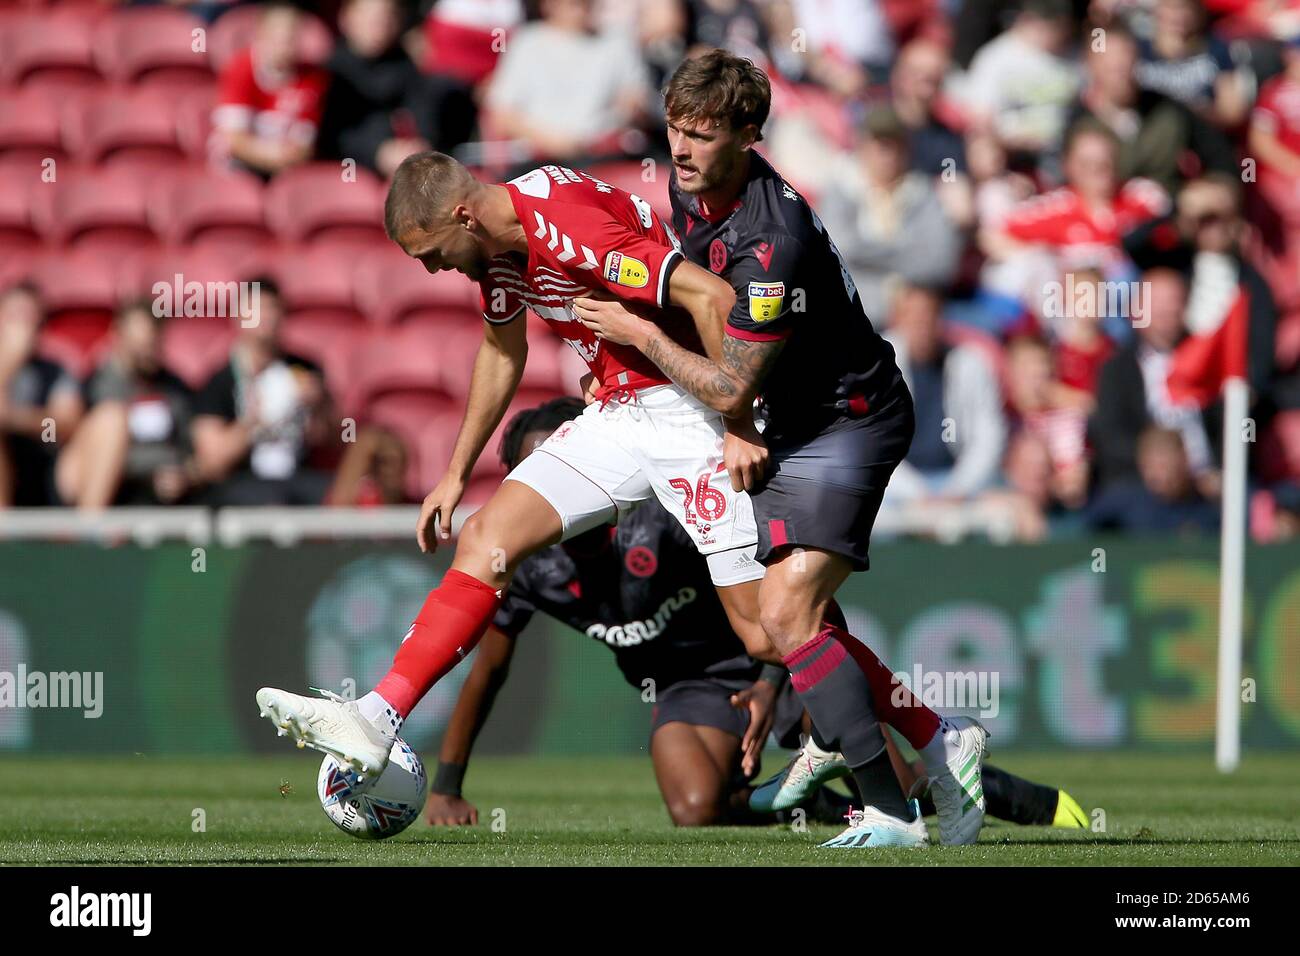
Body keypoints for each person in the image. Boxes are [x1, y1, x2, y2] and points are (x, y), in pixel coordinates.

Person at [255, 147, 776, 799]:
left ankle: (932, 738)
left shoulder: (564, 225)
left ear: (466, 217)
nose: (435, 268)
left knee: (770, 631)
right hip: (620, 411)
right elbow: (503, 350)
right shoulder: (499, 247)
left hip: (687, 409)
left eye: (433, 251)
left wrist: (738, 420)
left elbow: (710, 294)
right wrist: (453, 474)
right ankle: (376, 717)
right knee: (483, 540)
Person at [572, 50, 990, 847]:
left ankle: (892, 810)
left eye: (702, 134)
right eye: (674, 131)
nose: (682, 150)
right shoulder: (693, 185)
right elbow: (700, 313)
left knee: (787, 613)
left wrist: (631, 337)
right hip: (785, 420)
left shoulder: (773, 243)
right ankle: (937, 738)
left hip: (847, 421)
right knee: (785, 627)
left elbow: (729, 384)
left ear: (750, 136)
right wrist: (630, 374)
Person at [427, 398, 1088, 832]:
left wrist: (774, 686)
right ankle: (815, 798)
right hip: (684, 689)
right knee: (694, 810)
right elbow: (486, 673)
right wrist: (447, 787)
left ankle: (999, 792)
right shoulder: (524, 563)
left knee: (910, 786)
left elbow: (811, 606)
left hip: (772, 661)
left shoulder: (668, 517)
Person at [191, 281, 333, 506]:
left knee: (344, 494)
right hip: (244, 481)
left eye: (273, 308)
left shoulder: (305, 370)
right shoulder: (218, 383)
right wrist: (253, 422)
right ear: (238, 315)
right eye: (258, 308)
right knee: (271, 502)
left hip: (298, 475)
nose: (267, 316)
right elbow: (211, 463)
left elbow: (330, 437)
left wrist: (318, 406)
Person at [55, 299, 195, 508]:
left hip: (155, 494)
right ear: (118, 337)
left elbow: (192, 452)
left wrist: (184, 476)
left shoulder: (175, 390)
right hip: (97, 483)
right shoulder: (91, 385)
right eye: (138, 346)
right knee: (112, 419)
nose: (146, 354)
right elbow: (70, 445)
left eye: (151, 345)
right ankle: (90, 529)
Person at [211, 1, 328, 176]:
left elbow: (304, 146)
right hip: (239, 168)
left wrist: (284, 157)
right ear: (262, 34)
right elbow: (233, 139)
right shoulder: (240, 69)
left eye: (290, 38)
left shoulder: (312, 79)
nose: (284, 45)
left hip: (286, 170)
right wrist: (271, 157)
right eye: (277, 37)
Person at [0, 284, 83, 507]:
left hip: (45, 463)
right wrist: (10, 361)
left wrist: (15, 419)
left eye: (30, 317)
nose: (23, 325)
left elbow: (63, 426)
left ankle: (90, 533)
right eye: (16, 315)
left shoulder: (55, 371)